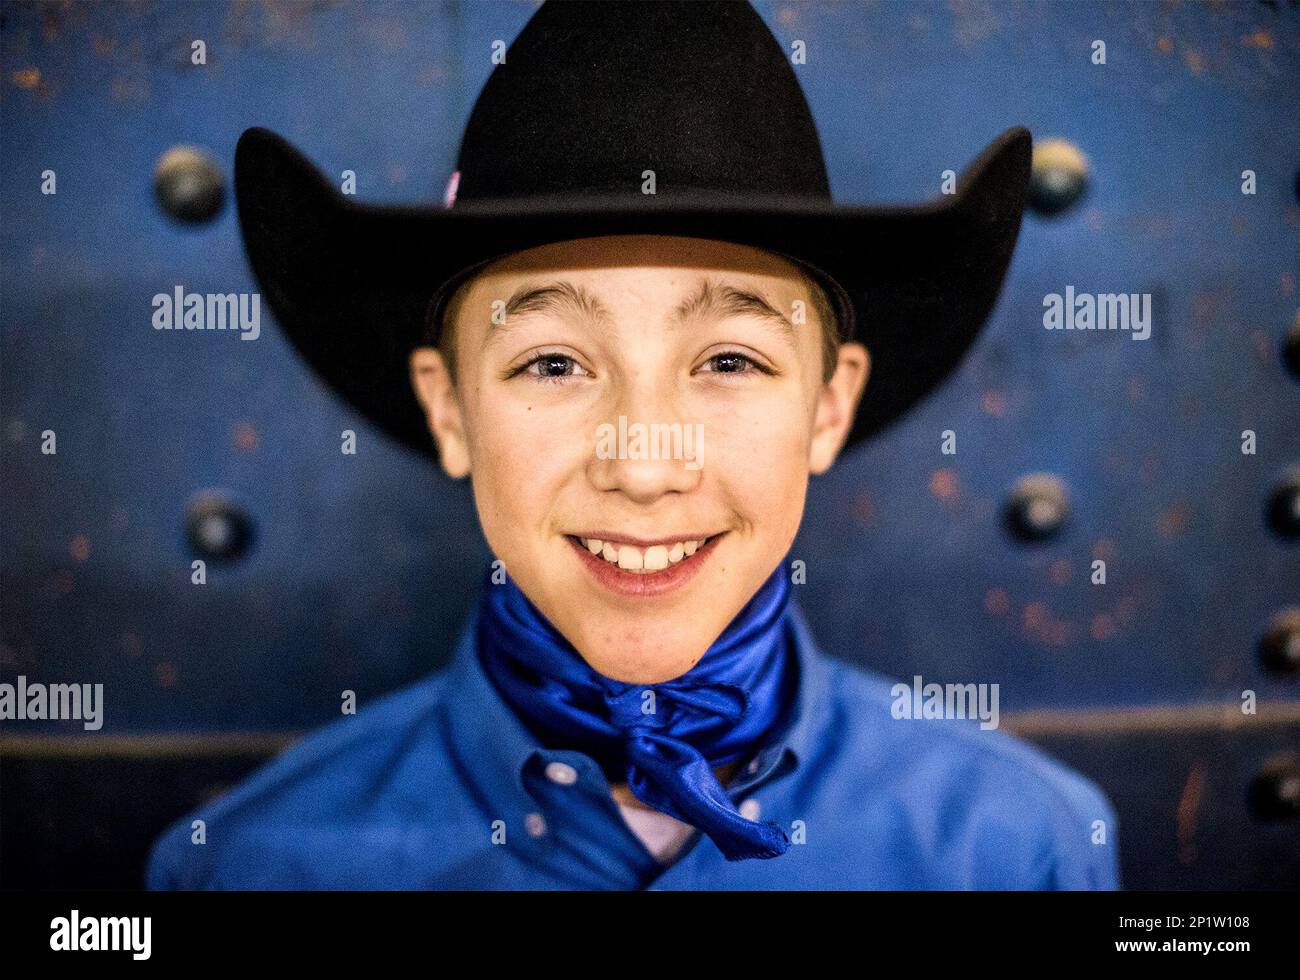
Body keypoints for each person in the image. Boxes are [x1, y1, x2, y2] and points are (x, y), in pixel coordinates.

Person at [147, 0, 1119, 889]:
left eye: (730, 359)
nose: (645, 466)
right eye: (554, 364)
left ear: (828, 406)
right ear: (451, 413)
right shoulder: (255, 866)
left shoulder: (1017, 848)